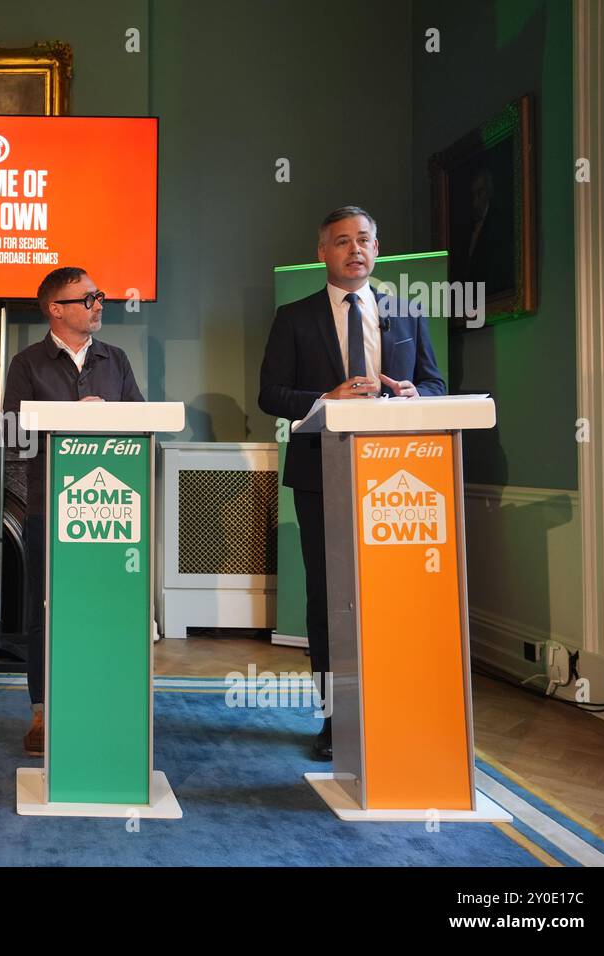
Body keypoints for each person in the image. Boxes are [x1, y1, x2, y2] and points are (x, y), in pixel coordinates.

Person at [257, 205, 445, 760]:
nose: (354, 249)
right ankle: (335, 720)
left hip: (398, 473)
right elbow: (271, 393)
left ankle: (394, 711)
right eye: (342, 241)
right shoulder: (294, 317)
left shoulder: (407, 314)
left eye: (364, 239)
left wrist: (415, 394)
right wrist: (326, 399)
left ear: (377, 249)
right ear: (322, 253)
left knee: (391, 595)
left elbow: (434, 385)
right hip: (322, 473)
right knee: (330, 597)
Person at [3, 266, 145, 756]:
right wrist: (69, 416)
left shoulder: (116, 359)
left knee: (105, 606)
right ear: (55, 308)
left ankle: (104, 703)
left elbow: (141, 418)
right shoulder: (27, 363)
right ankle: (42, 713)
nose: (98, 304)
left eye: (99, 296)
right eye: (87, 298)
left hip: (112, 508)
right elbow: (12, 434)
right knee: (47, 609)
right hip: (49, 505)